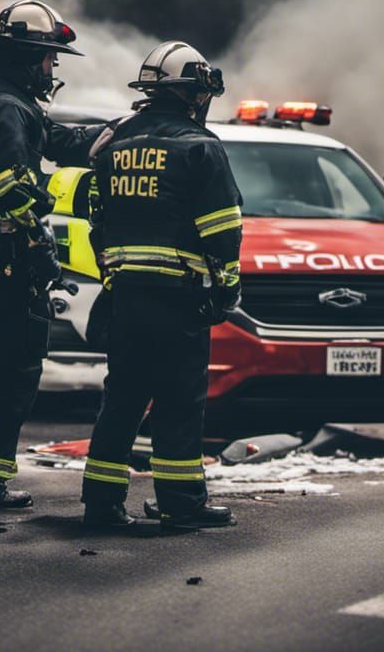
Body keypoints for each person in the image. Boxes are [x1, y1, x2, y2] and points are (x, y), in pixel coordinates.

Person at [81, 41, 242, 530]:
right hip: (179, 299)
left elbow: (97, 220)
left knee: (123, 398)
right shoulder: (201, 147)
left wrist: (113, 277)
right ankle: (180, 502)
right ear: (192, 94)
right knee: (178, 401)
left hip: (127, 296)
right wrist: (226, 289)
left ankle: (102, 504)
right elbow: (223, 229)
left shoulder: (115, 148)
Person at [0, 0, 103, 510]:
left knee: (10, 369)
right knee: (15, 370)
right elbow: (14, 187)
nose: (52, 66)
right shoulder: (9, 107)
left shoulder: (4, 102)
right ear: (25, 57)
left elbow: (55, 140)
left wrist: (106, 136)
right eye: (48, 57)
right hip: (2, 258)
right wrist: (43, 236)